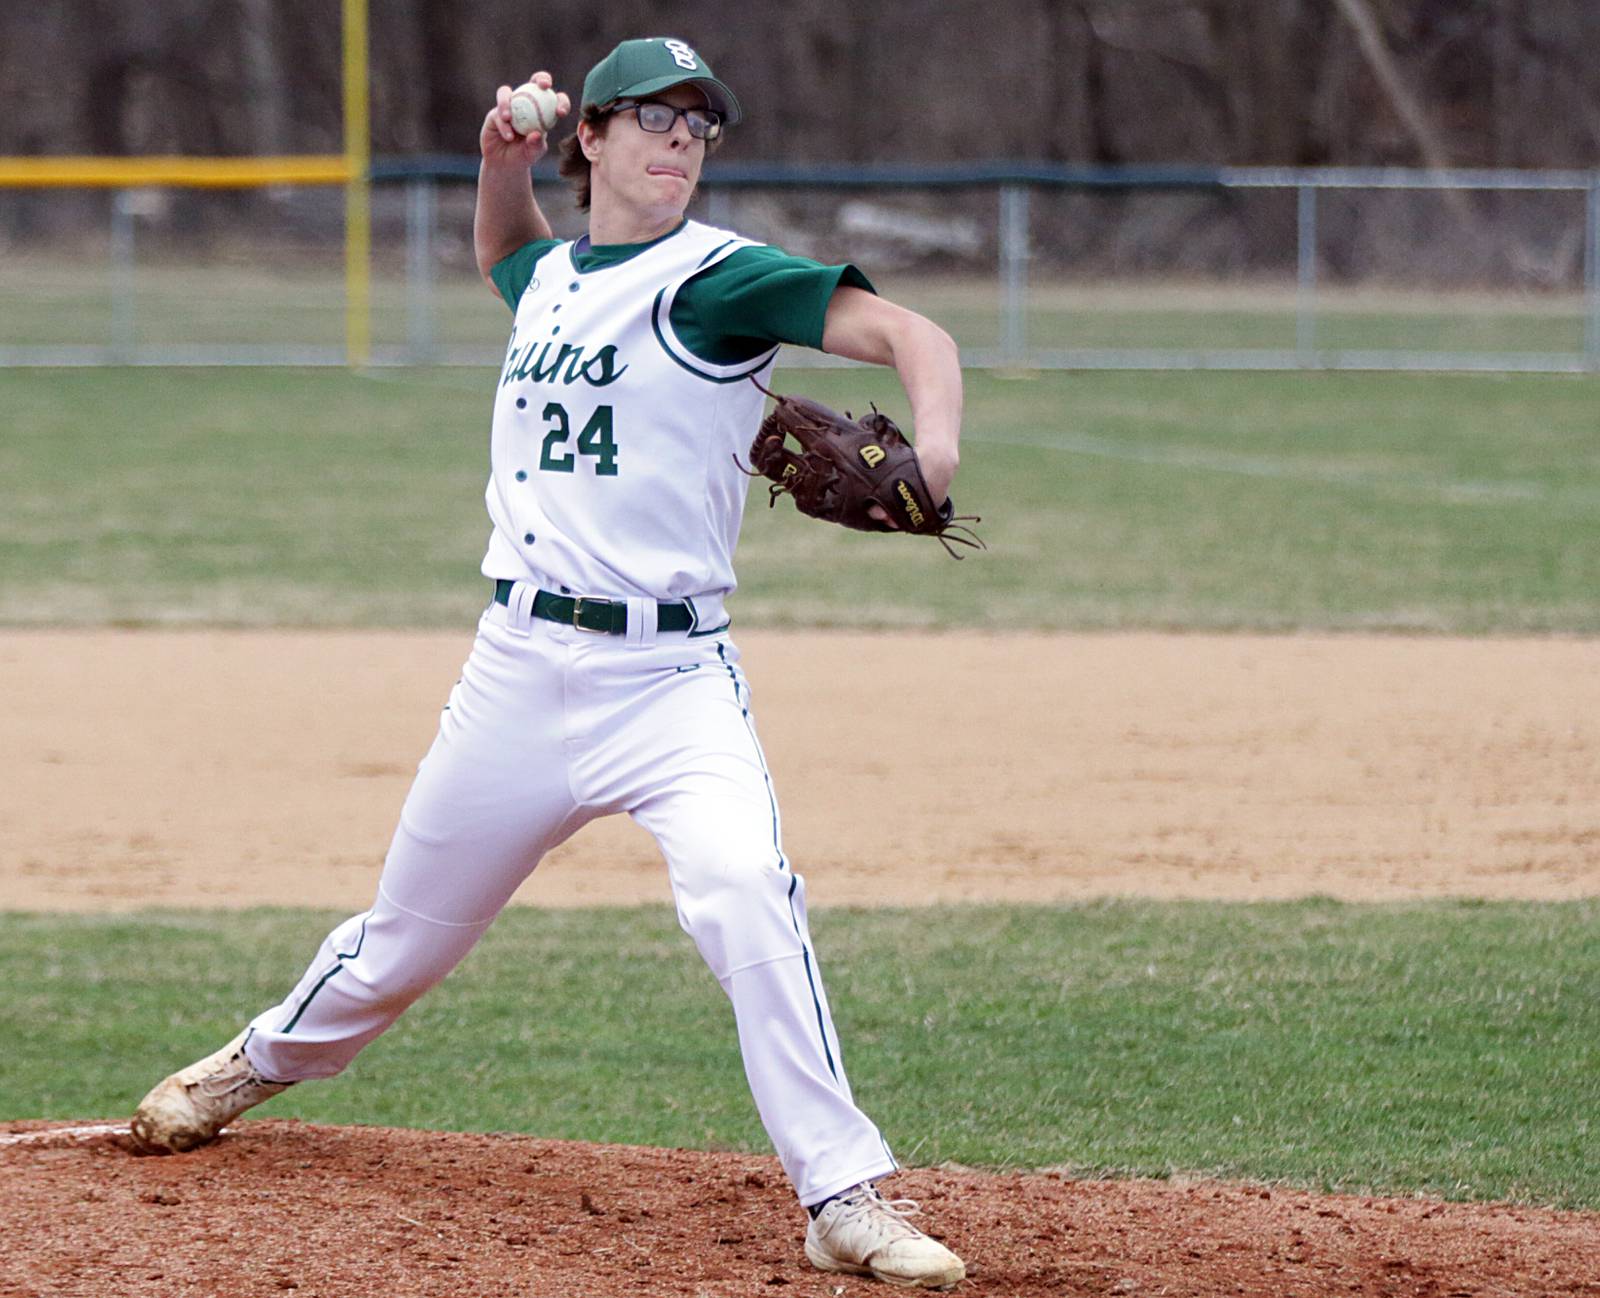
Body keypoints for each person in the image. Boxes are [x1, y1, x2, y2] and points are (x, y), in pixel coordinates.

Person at [130, 36, 966, 1290]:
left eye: (699, 124)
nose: (681, 141)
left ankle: (841, 1192)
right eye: (655, 118)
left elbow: (912, 332)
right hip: (515, 673)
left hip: (671, 682)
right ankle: (259, 1060)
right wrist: (495, 162)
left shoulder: (721, 279)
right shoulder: (555, 279)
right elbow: (505, 253)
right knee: (401, 943)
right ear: (594, 136)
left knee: (746, 891)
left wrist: (935, 453)